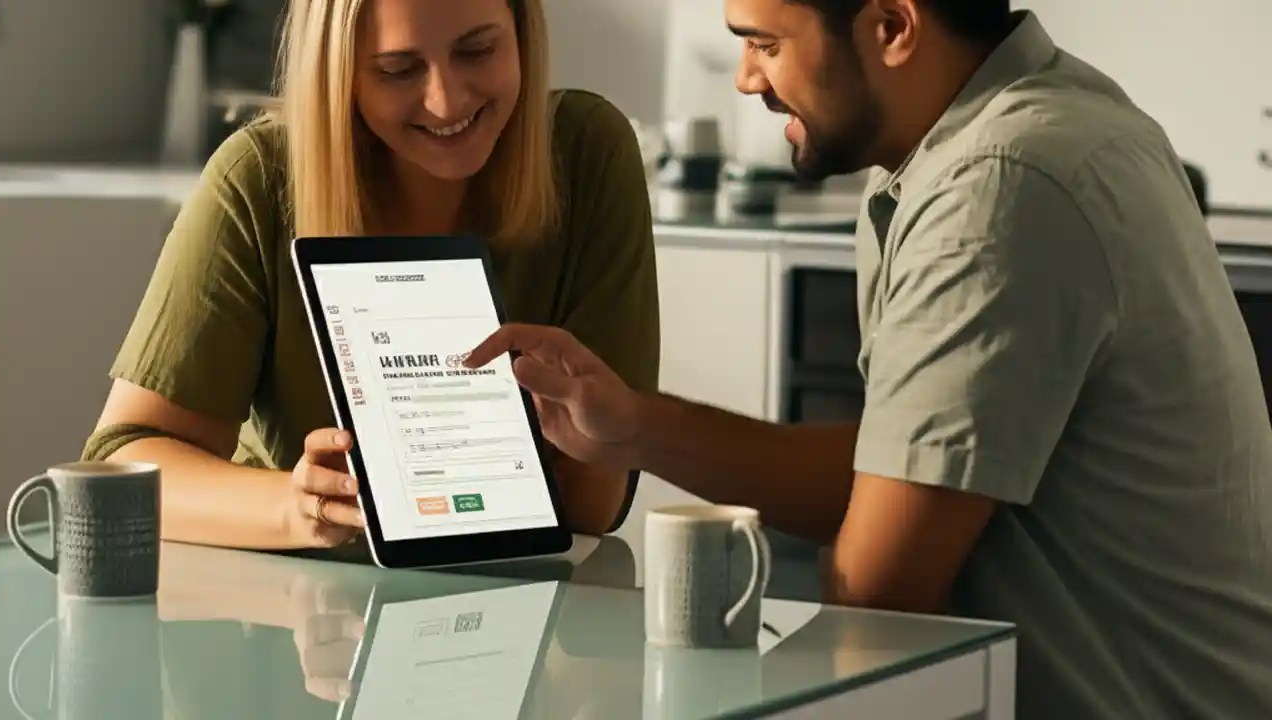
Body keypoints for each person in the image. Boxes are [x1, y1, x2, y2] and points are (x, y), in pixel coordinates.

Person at [465, 1, 1272, 717]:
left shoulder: (999, 185)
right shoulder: (1060, 120)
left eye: (766, 44)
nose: (746, 79)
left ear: (891, 27)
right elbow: (907, 473)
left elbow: (876, 606)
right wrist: (635, 428)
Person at [80, 0, 659, 554]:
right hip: (291, 613)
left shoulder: (587, 154)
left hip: (525, 601)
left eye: (478, 51)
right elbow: (120, 467)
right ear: (339, 72)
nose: (445, 100)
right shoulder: (258, 180)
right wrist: (295, 506)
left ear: (522, 34)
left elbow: (593, 503)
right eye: (397, 70)